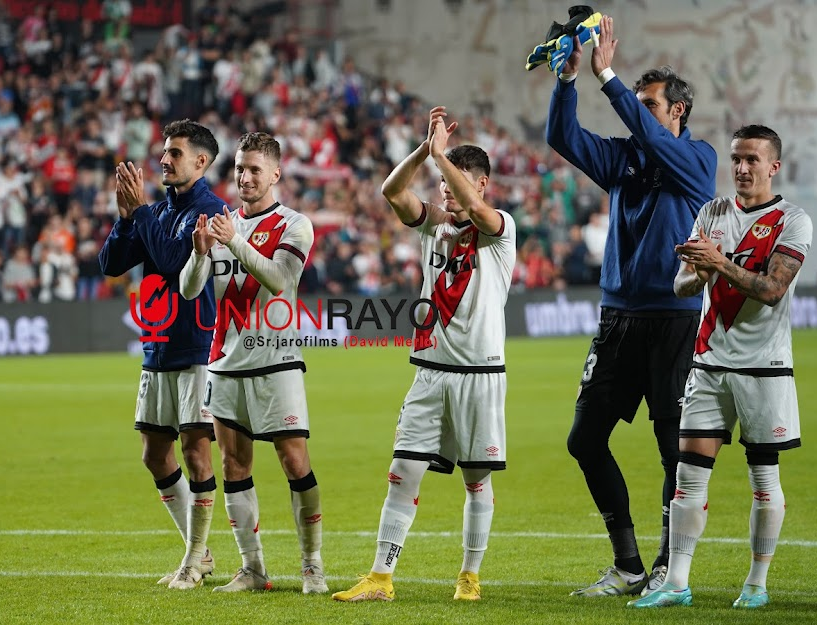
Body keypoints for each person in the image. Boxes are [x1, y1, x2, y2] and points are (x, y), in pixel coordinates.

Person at [545, 15, 718, 597]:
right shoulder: (622, 160)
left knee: (675, 451)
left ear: (678, 113)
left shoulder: (698, 162)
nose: (641, 112)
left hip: (674, 324)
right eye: (637, 103)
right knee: (584, 440)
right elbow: (563, 139)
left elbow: (650, 139)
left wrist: (609, 77)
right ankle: (627, 565)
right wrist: (568, 81)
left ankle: (670, 569)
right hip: (617, 320)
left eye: (651, 105)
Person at [332, 107, 516, 603]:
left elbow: (479, 212)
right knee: (402, 472)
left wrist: (442, 157)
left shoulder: (500, 230)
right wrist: (424, 151)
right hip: (430, 373)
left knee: (476, 482)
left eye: (458, 183)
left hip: (480, 374)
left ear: (482, 184)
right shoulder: (433, 226)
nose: (447, 192)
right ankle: (381, 577)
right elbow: (392, 192)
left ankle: (469, 577)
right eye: (442, 184)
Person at [629, 125, 811, 609]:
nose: (741, 168)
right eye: (735, 158)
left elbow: (772, 290)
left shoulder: (793, 221)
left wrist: (718, 261)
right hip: (708, 364)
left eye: (752, 159)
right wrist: (699, 269)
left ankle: (755, 584)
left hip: (764, 368)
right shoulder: (711, 213)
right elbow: (682, 286)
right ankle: (677, 584)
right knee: (688, 478)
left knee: (763, 478)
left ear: (773, 165)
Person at [178, 132, 325, 594]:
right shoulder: (220, 224)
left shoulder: (295, 224)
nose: (244, 176)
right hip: (224, 363)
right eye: (239, 168)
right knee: (233, 466)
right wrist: (201, 252)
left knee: (294, 460)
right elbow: (187, 289)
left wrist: (234, 241)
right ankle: (253, 568)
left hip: (277, 361)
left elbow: (279, 279)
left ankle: (311, 565)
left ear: (275, 174)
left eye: (254, 169)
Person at [98, 119, 226, 590]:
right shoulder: (155, 211)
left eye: (175, 153)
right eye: (164, 152)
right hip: (157, 346)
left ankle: (193, 562)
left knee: (195, 452)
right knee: (155, 454)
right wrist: (126, 218)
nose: (164, 160)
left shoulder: (210, 212)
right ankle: (203, 549)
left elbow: (175, 265)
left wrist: (143, 216)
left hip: (196, 347)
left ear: (201, 161)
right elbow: (110, 265)